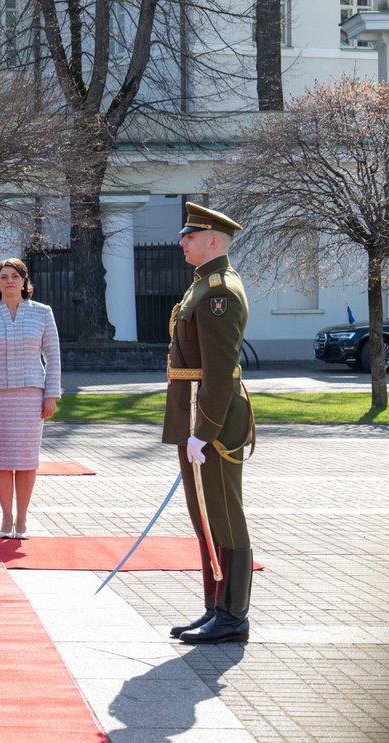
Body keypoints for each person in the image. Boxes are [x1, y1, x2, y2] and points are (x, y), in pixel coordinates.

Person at [165, 201, 256, 645]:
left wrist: (204, 432)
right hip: (197, 413)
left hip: (211, 416)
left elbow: (219, 371)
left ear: (213, 241)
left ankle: (233, 615)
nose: (182, 241)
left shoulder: (218, 291)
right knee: (205, 515)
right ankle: (215, 607)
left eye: (190, 235)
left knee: (224, 515)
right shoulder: (202, 286)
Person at [0, 258, 61, 539]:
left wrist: (51, 395)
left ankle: (22, 518)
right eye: (3, 277)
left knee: (27, 460)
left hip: (31, 397)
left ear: (24, 281)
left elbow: (53, 357)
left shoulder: (43, 313)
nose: (9, 281)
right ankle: (6, 517)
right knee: (2, 460)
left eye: (14, 276)